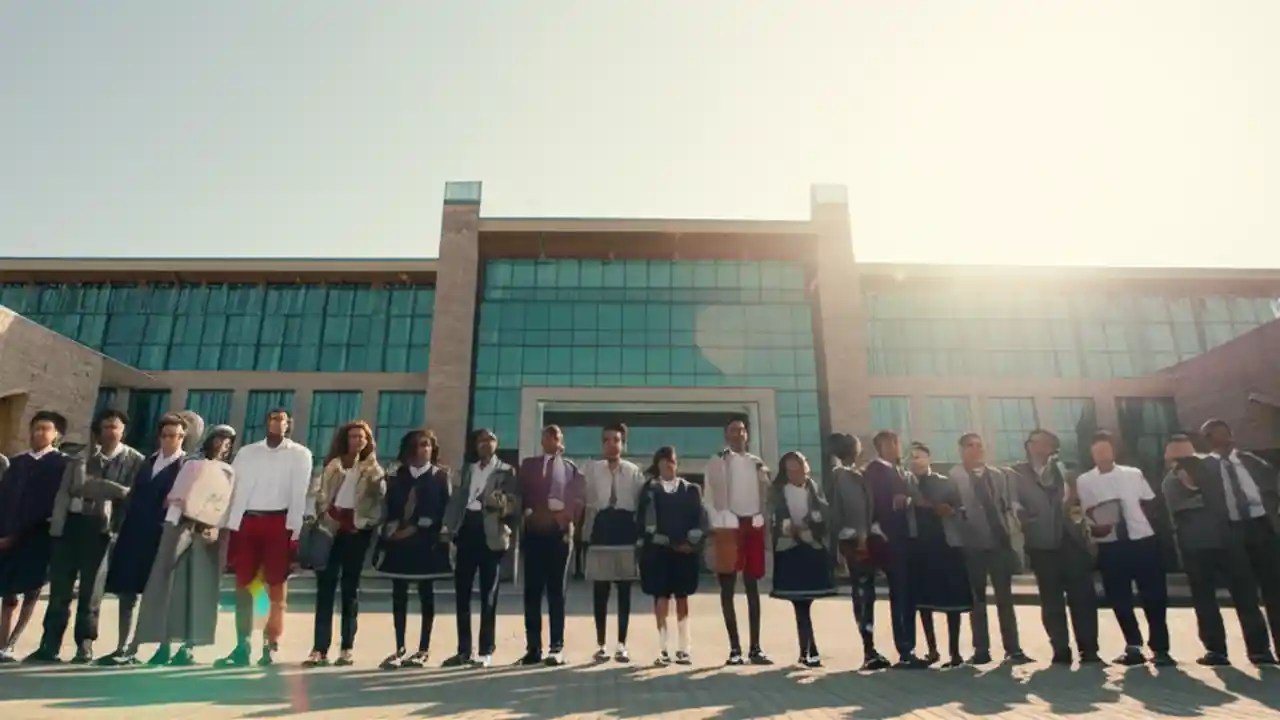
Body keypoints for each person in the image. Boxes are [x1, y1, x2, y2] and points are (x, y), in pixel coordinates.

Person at [33, 409, 145, 664]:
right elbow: (73, 488)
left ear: (123, 431)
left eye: (114, 427)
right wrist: (114, 490)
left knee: (91, 592)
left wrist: (112, 498)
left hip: (102, 530)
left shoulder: (134, 460)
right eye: (105, 427)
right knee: (60, 589)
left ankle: (84, 646)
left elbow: (132, 497)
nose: (110, 432)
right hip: (71, 524)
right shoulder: (81, 456)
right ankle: (49, 646)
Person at [1163, 437, 1276, 666]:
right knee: (1205, 601)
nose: (1181, 467)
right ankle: (1216, 650)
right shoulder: (1170, 483)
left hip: (1229, 544)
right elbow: (1179, 509)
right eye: (1176, 461)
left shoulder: (1218, 472)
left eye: (1187, 460)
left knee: (1245, 597)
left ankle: (1259, 650)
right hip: (1195, 549)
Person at [132, 423, 238, 666]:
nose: (223, 445)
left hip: (210, 534)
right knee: (169, 588)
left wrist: (217, 529)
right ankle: (164, 645)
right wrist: (172, 529)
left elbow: (226, 504)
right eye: (219, 439)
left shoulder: (229, 472)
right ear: (210, 440)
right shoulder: (192, 464)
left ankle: (189, 646)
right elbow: (178, 499)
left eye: (228, 442)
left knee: (199, 591)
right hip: (182, 527)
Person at [217, 408, 313, 667]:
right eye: (272, 418)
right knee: (244, 587)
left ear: (289, 424)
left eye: (282, 419)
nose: (277, 423)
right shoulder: (248, 453)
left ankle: (271, 644)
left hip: (279, 523)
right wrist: (228, 524)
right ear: (265, 422)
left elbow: (299, 493)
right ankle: (242, 645)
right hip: (247, 522)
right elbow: (232, 489)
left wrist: (295, 532)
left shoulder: (300, 455)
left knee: (276, 589)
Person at [93, 413, 190, 665]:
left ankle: (161, 648)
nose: (172, 440)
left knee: (159, 594)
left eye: (178, 435)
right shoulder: (146, 462)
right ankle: (123, 646)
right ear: (160, 436)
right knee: (127, 592)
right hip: (134, 532)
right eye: (167, 435)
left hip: (163, 536)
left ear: (183, 437)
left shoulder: (186, 466)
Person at [1077, 430, 1173, 666]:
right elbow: (1087, 513)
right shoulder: (1085, 480)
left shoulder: (1133, 474)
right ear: (1091, 454)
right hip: (1111, 545)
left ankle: (1160, 648)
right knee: (1119, 597)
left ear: (1114, 450)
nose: (1102, 454)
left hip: (1143, 539)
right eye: (1097, 450)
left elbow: (1149, 501)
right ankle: (1133, 646)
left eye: (1106, 449)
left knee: (1154, 595)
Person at [1010, 429, 1101, 666]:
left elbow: (1081, 502)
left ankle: (1089, 650)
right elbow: (1012, 501)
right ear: (1028, 446)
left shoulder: (1066, 470)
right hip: (1041, 544)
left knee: (1082, 597)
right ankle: (1060, 649)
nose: (1041, 448)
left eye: (1047, 444)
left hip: (1071, 541)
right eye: (1036, 443)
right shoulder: (1015, 473)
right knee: (1051, 600)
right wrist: (1022, 517)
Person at [304, 421, 387, 668]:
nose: (357, 441)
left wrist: (366, 522)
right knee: (325, 590)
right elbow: (318, 495)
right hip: (330, 528)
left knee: (350, 591)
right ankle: (319, 649)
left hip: (356, 531)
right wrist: (325, 515)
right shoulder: (333, 465)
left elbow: (380, 499)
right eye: (353, 436)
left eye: (362, 437)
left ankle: (346, 648)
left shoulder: (373, 469)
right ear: (345, 439)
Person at [372, 429, 451, 670]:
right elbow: (387, 508)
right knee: (399, 595)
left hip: (426, 543)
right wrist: (390, 530)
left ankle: (423, 648)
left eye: (426, 445)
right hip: (398, 542)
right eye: (417, 446)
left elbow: (443, 510)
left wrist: (417, 527)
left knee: (426, 594)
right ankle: (399, 647)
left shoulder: (440, 476)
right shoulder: (396, 476)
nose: (421, 450)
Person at [948, 433, 1029, 665]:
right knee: (977, 600)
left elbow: (1007, 505)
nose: (976, 450)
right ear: (961, 450)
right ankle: (981, 649)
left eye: (979, 446)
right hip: (971, 545)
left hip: (999, 543)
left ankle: (1013, 649)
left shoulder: (998, 475)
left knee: (1005, 598)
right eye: (970, 446)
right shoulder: (954, 477)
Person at [441, 428, 519, 669]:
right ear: (476, 445)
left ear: (496, 444)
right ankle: (463, 649)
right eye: (481, 440)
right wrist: (448, 526)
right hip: (467, 530)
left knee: (488, 593)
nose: (486, 444)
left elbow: (513, 503)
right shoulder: (469, 470)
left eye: (491, 440)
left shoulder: (506, 471)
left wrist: (501, 504)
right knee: (462, 592)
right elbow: (458, 499)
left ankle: (486, 650)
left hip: (491, 532)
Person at [1201, 419, 1280, 658]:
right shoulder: (1205, 467)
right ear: (1208, 439)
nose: (1225, 438)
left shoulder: (1251, 461)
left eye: (1226, 432)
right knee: (1243, 590)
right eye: (1218, 434)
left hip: (1261, 525)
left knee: (1275, 589)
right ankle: (1258, 649)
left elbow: (1272, 485)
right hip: (1231, 530)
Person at [0, 411, 71, 664]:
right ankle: (1, 642)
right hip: (8, 535)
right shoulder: (16, 463)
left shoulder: (62, 464)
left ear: (56, 434)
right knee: (8, 594)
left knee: (31, 591)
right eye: (37, 428)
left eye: (46, 429)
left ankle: (11, 643)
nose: (40, 433)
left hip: (39, 537)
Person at [703, 417, 772, 666]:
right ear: (726, 435)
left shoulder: (758, 464)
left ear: (747, 435)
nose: (738, 434)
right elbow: (708, 496)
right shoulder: (717, 461)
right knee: (728, 588)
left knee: (753, 587)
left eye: (741, 430)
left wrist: (761, 517)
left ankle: (756, 648)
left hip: (752, 525)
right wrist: (719, 519)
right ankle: (734, 649)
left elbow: (768, 496)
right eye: (733, 430)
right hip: (728, 527)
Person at [516, 425, 584, 666]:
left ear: (561, 441)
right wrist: (530, 513)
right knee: (532, 592)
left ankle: (557, 647)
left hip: (558, 535)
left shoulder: (570, 468)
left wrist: (562, 519)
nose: (550, 439)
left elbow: (577, 500)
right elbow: (520, 493)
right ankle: (533, 648)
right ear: (541, 440)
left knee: (556, 592)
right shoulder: (529, 465)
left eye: (555, 436)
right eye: (546, 435)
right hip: (534, 532)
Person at [582, 422, 647, 663]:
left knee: (624, 591)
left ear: (623, 443)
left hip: (625, 532)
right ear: (602, 444)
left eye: (616, 440)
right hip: (601, 531)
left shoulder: (634, 471)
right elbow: (585, 500)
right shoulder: (591, 469)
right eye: (607, 440)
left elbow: (641, 505)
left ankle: (622, 644)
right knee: (600, 591)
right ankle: (601, 644)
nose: (612, 444)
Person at [637, 446, 706, 666]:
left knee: (683, 598)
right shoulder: (649, 490)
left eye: (672, 461)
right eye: (664, 461)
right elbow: (643, 523)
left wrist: (691, 543)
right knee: (661, 598)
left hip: (685, 553)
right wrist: (661, 541)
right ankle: (662, 648)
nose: (669, 465)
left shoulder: (690, 490)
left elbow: (700, 520)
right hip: (658, 553)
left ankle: (684, 647)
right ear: (657, 464)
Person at [865, 430, 927, 668]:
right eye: (890, 443)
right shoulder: (875, 471)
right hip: (890, 540)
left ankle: (909, 646)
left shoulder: (901, 471)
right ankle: (904, 648)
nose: (895, 447)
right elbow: (873, 504)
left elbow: (910, 498)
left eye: (896, 442)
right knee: (899, 594)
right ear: (880, 446)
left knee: (908, 595)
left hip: (908, 538)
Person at [827, 432, 889, 670]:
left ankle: (870, 646)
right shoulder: (841, 476)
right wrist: (857, 538)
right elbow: (847, 510)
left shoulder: (858, 475)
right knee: (862, 592)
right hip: (854, 541)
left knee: (867, 592)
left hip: (865, 540)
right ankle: (868, 648)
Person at [768, 451, 836, 668]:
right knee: (799, 604)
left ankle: (808, 650)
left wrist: (809, 527)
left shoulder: (814, 488)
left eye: (798, 467)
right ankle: (808, 650)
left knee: (806, 602)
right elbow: (775, 518)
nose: (795, 473)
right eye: (790, 470)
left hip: (811, 548)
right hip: (790, 549)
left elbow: (824, 515)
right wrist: (789, 529)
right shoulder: (779, 492)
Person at [907, 442, 971, 668]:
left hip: (946, 546)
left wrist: (950, 511)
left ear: (929, 458)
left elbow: (961, 509)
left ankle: (955, 652)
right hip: (918, 549)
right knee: (924, 602)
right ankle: (932, 650)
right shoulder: (905, 484)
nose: (916, 460)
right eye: (912, 457)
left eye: (920, 456)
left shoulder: (944, 483)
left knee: (952, 601)